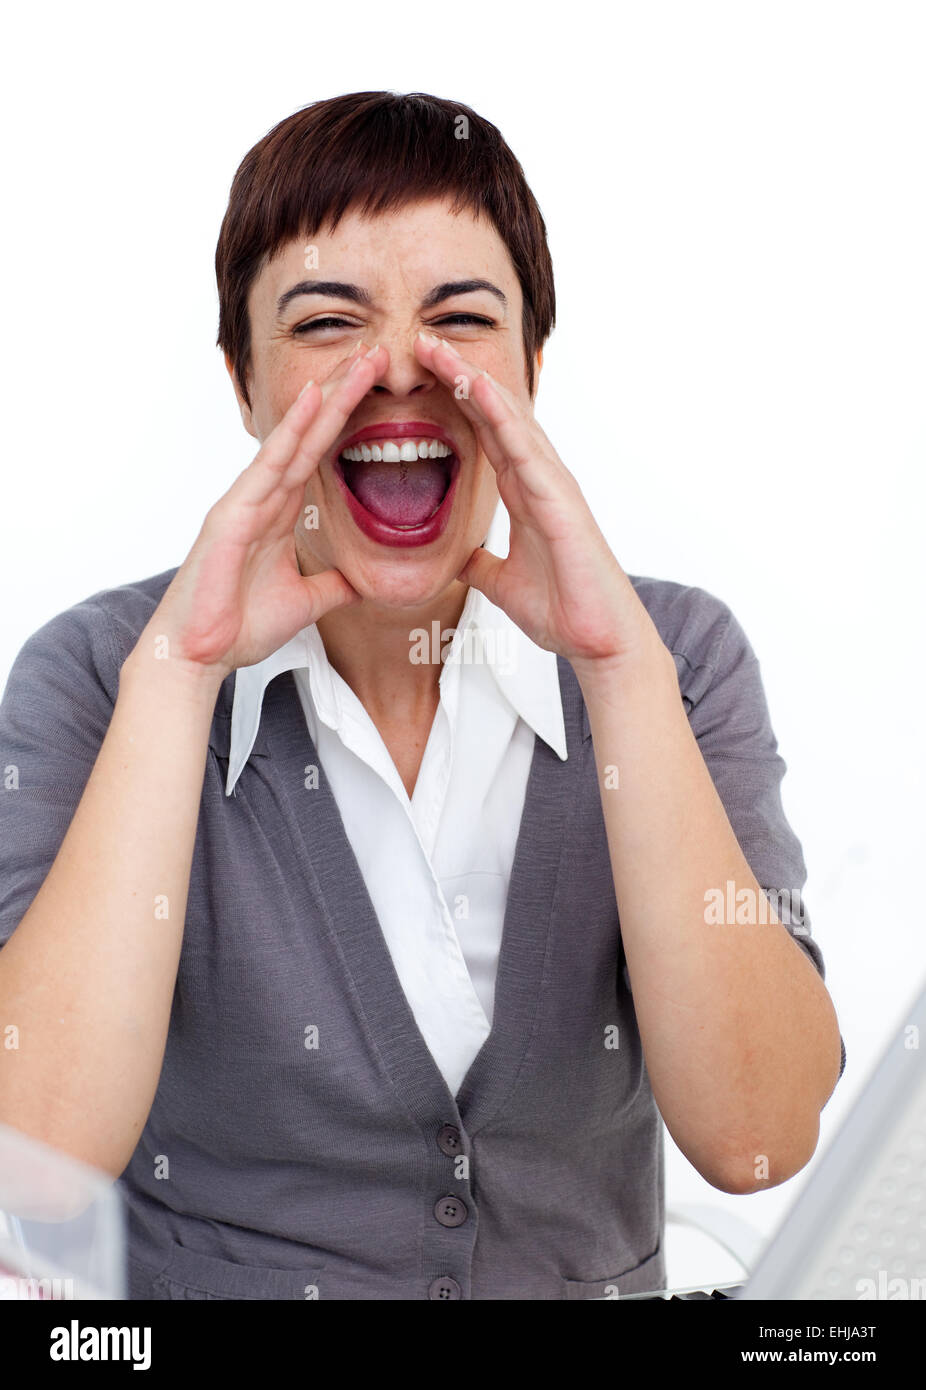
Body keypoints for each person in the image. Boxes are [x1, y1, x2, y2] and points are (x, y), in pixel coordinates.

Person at [0, 91, 845, 1301]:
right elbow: (29, 1162)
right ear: (242, 382)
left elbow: (756, 1137)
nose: (398, 369)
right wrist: (179, 677)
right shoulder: (95, 677)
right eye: (327, 322)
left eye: (459, 318)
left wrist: (619, 673)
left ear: (530, 371)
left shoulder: (677, 658)